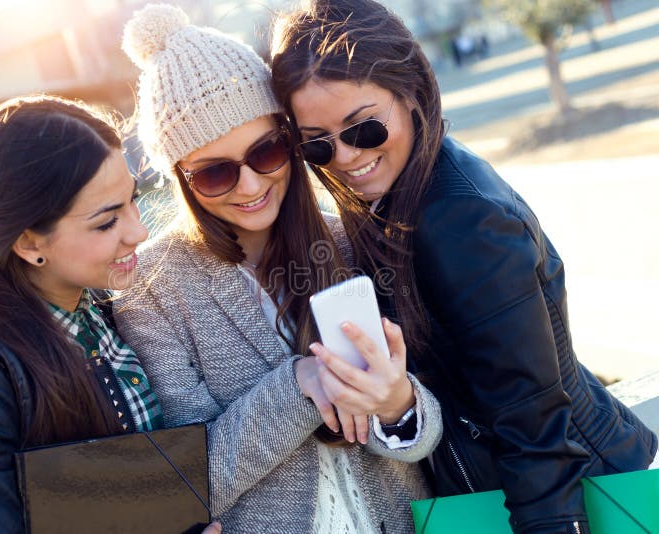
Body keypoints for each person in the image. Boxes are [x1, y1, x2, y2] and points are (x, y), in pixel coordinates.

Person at [269, 1, 658, 533]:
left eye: (361, 130)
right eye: (317, 144)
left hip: (574, 499)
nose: (343, 158)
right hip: (504, 496)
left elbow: (537, 434)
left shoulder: (461, 221)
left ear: (410, 92)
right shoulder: (402, 194)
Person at [116, 4, 442, 533]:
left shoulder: (348, 238)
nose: (249, 186)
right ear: (180, 179)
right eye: (216, 172)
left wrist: (398, 402)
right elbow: (196, 474)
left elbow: (423, 436)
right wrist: (300, 384)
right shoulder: (152, 289)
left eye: (266, 151)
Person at [0, 94, 220, 533]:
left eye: (134, 199)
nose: (139, 231)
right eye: (106, 222)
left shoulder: (112, 310)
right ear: (30, 243)